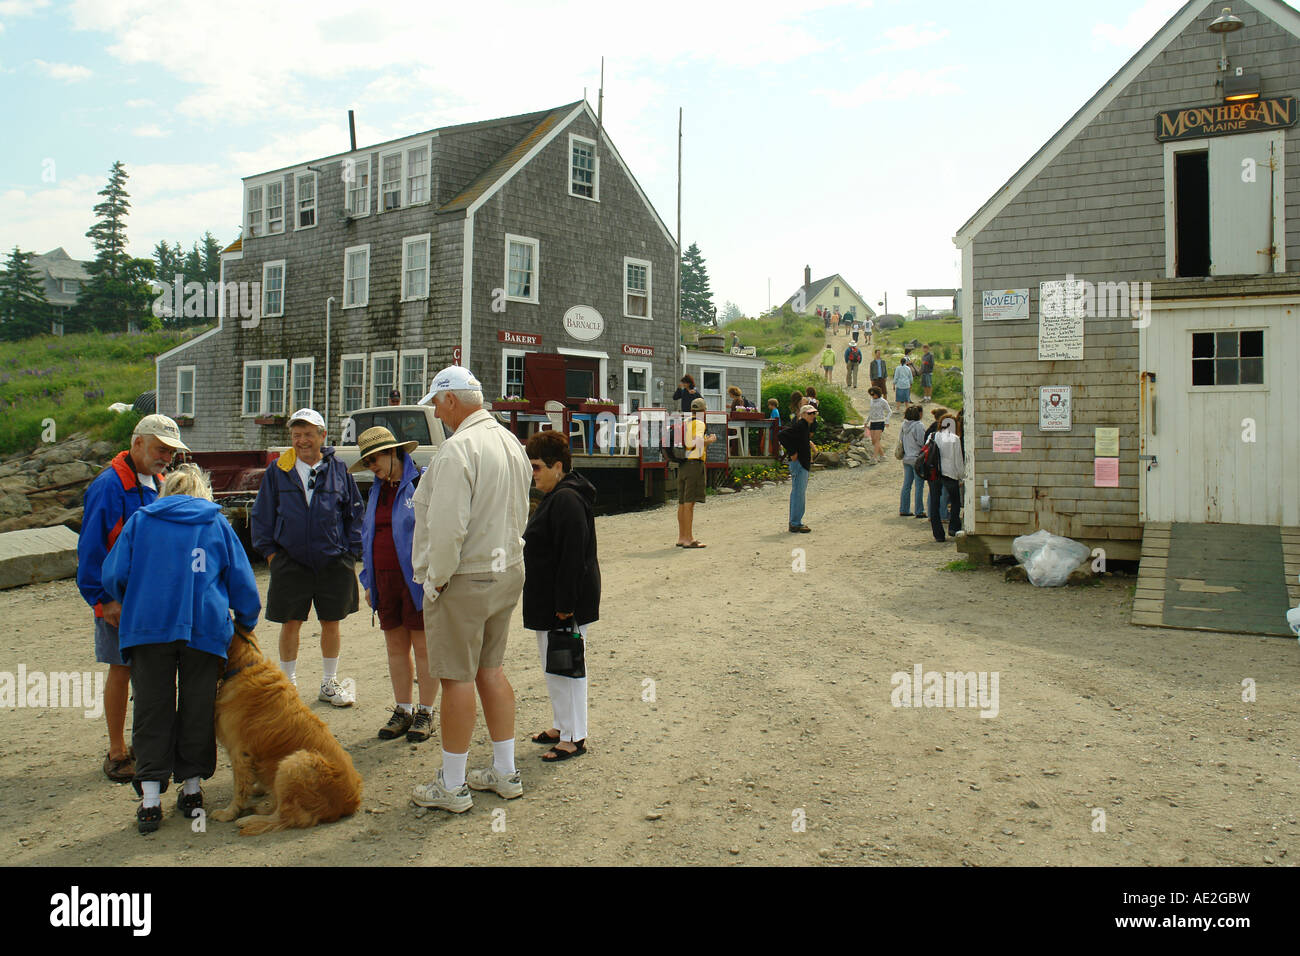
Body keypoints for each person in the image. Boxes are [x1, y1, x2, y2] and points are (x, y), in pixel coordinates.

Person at [101, 463, 261, 833]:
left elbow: (113, 575)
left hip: (148, 627)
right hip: (203, 628)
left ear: (166, 491)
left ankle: (151, 798)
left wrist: (135, 597)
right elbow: (242, 582)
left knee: (152, 707)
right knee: (198, 706)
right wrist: (245, 624)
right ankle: (191, 790)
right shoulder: (216, 523)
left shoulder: (141, 522)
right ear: (201, 492)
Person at [410, 367, 532, 813]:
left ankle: (454, 784)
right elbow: (519, 510)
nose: (437, 412)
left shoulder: (457, 450)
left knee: (457, 677)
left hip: (465, 576)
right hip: (505, 568)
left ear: (452, 401)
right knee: (491, 670)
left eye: (438, 404)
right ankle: (504, 771)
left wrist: (436, 578)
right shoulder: (508, 442)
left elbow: (447, 529)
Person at [77, 413, 187, 783]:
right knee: (121, 671)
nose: (166, 457)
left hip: (153, 599)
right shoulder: (108, 486)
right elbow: (90, 550)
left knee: (151, 672)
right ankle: (116, 750)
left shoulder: (159, 482)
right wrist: (102, 600)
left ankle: (146, 744)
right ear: (137, 442)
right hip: (117, 601)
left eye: (171, 452)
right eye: (160, 449)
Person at [250, 408, 363, 706]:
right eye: (296, 435)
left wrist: (351, 553)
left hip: (333, 561)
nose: (302, 441)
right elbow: (261, 516)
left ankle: (329, 684)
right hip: (290, 561)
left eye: (308, 434)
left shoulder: (339, 469)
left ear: (322, 436)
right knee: (291, 623)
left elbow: (354, 514)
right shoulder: (278, 470)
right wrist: (272, 555)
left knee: (332, 622)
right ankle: (288, 687)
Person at [353, 426, 437, 743]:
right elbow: (367, 535)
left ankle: (426, 712)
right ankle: (403, 709)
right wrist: (368, 580)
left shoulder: (421, 483)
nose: (372, 466)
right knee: (395, 648)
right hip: (385, 579)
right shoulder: (377, 490)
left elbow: (435, 530)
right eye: (367, 461)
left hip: (415, 579)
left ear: (394, 453)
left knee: (424, 648)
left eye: (375, 458)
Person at [522, 430, 600, 762]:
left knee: (567, 667)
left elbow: (573, 556)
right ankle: (561, 724)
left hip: (564, 603)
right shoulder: (559, 495)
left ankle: (574, 736)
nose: (533, 473)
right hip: (549, 599)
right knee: (553, 665)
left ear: (557, 466)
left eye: (537, 467)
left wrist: (566, 606)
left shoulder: (567, 499)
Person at [676, 397, 716, 548]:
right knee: (689, 503)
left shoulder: (686, 422)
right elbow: (694, 442)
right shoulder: (699, 423)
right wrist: (709, 441)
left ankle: (681, 537)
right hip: (694, 464)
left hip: (683, 464)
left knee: (681, 502)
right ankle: (689, 539)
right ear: (704, 410)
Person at [780, 404, 817, 533]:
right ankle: (795, 523)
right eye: (809, 413)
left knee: (798, 492)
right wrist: (792, 452)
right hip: (799, 463)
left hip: (803, 463)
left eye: (814, 413)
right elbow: (782, 435)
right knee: (798, 493)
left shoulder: (805, 426)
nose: (812, 416)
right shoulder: (800, 425)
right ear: (802, 414)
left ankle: (795, 522)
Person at [930, 415, 964, 542]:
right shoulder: (955, 439)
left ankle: (938, 534)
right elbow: (958, 461)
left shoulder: (932, 436)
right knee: (955, 501)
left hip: (934, 473)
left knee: (935, 503)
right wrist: (961, 476)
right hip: (950, 474)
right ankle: (953, 528)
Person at [899, 405, 928, 517]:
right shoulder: (919, 426)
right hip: (917, 458)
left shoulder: (903, 425)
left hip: (906, 457)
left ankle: (904, 508)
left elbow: (900, 440)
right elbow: (921, 442)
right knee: (919, 486)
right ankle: (919, 510)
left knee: (907, 485)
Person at [923, 407, 950, 522]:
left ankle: (931, 514)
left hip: (931, 465)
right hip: (943, 465)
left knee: (932, 491)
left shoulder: (930, 432)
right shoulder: (947, 435)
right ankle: (943, 515)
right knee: (944, 490)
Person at [867, 387, 890, 462]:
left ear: (877, 394)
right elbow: (871, 412)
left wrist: (887, 421)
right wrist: (867, 421)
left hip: (880, 422)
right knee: (873, 441)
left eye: (873, 394)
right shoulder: (871, 401)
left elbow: (889, 411)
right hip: (873, 422)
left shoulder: (883, 401)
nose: (872, 396)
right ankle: (883, 455)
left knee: (877, 440)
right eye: (871, 394)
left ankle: (874, 457)